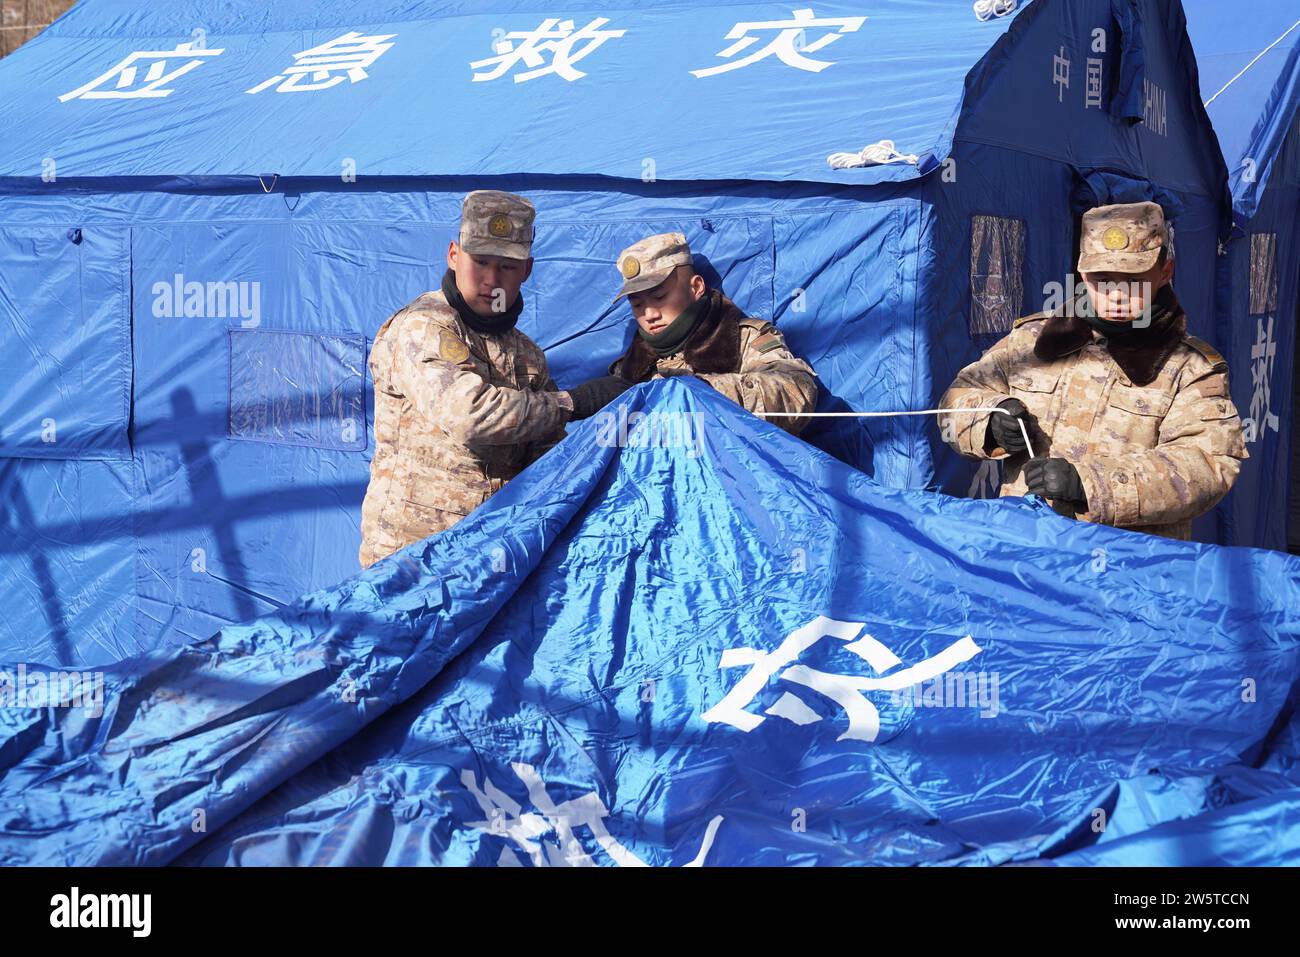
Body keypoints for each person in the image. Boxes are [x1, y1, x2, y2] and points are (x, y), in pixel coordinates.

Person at [938, 201, 1247, 540]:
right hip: (1027, 553)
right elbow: (955, 403)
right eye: (1103, 279)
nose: (1117, 294)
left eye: (1133, 279)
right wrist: (988, 420)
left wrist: (1091, 485)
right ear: (1082, 274)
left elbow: (1209, 464)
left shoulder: (1190, 368)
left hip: (1126, 568)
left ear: (1165, 272)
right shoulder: (1031, 342)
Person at [360, 190, 628, 567]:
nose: (490, 279)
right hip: (412, 555)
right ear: (454, 255)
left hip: (489, 550)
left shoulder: (526, 353)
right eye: (480, 261)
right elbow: (469, 415)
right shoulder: (423, 326)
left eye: (506, 266)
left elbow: (546, 453)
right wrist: (572, 402)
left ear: (527, 270)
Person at [607, 232, 818, 434]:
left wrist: (704, 390)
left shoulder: (744, 339)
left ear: (696, 287)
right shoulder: (632, 364)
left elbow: (798, 392)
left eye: (660, 297)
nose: (650, 314)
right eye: (637, 305)